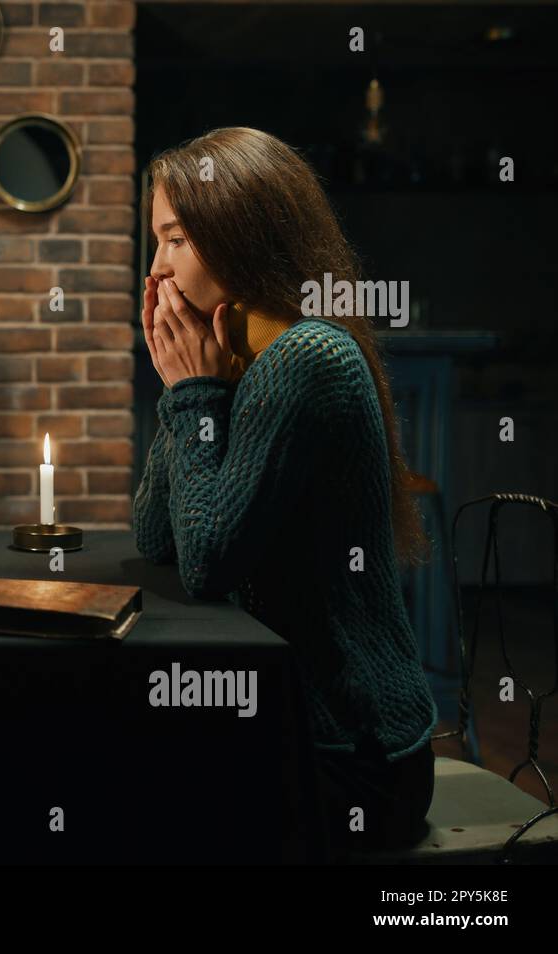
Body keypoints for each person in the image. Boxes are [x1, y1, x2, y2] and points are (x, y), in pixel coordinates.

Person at [132, 128, 436, 860]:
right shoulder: (239, 351)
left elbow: (207, 564)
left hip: (355, 758)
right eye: (158, 240)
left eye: (176, 240)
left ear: (239, 233)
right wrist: (184, 384)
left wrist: (192, 392)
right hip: (291, 727)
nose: (156, 267)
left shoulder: (306, 355)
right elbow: (156, 536)